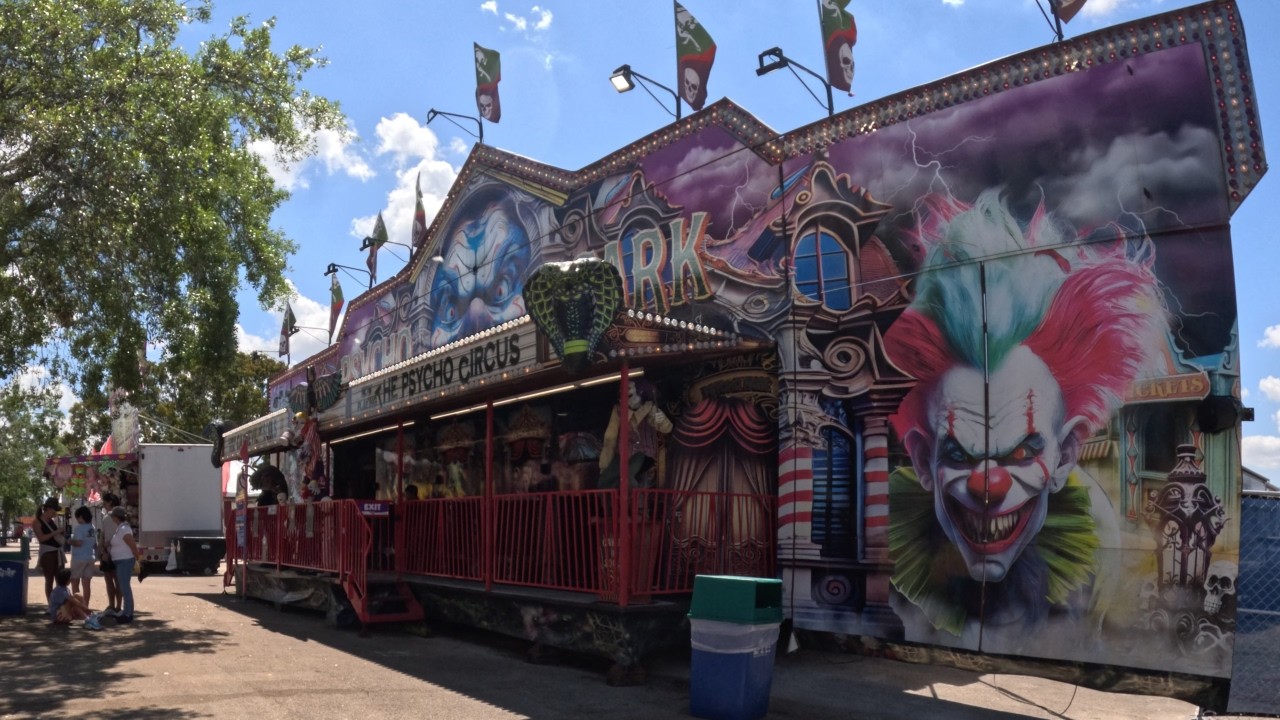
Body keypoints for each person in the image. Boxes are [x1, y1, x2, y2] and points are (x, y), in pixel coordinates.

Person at [105, 505, 143, 624]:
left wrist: (138, 559)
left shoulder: (124, 530)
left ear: (116, 517)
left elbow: (132, 545)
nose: (112, 518)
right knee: (124, 587)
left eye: (113, 516)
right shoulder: (121, 529)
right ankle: (127, 612)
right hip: (121, 561)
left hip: (125, 561)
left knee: (124, 587)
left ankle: (127, 613)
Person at [30, 497, 65, 602]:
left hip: (57, 551)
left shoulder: (52, 521)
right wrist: (56, 532)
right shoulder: (37, 522)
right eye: (54, 510)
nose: (55, 513)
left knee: (60, 579)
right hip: (47, 552)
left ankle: (59, 603)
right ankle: (51, 604)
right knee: (49, 579)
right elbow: (41, 538)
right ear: (48, 509)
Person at [98, 493, 122, 616]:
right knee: (118, 580)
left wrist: (102, 550)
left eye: (105, 502)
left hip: (108, 552)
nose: (104, 504)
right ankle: (118, 605)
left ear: (110, 503)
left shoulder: (107, 517)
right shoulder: (121, 518)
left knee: (109, 580)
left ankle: (112, 605)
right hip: (119, 552)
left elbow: (104, 536)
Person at [68, 506, 97, 608]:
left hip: (79, 557)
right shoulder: (92, 527)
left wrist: (69, 541)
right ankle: (86, 606)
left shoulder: (79, 528)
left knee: (75, 582)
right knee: (86, 583)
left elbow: (79, 542)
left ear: (81, 517)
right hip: (90, 556)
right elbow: (95, 543)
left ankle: (78, 606)